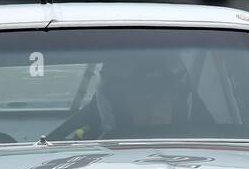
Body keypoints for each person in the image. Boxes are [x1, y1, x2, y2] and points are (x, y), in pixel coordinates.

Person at [50, 51, 198, 140]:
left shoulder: (201, 139)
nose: (153, 109)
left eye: (162, 101)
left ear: (177, 105)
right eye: (142, 101)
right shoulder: (90, 145)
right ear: (125, 107)